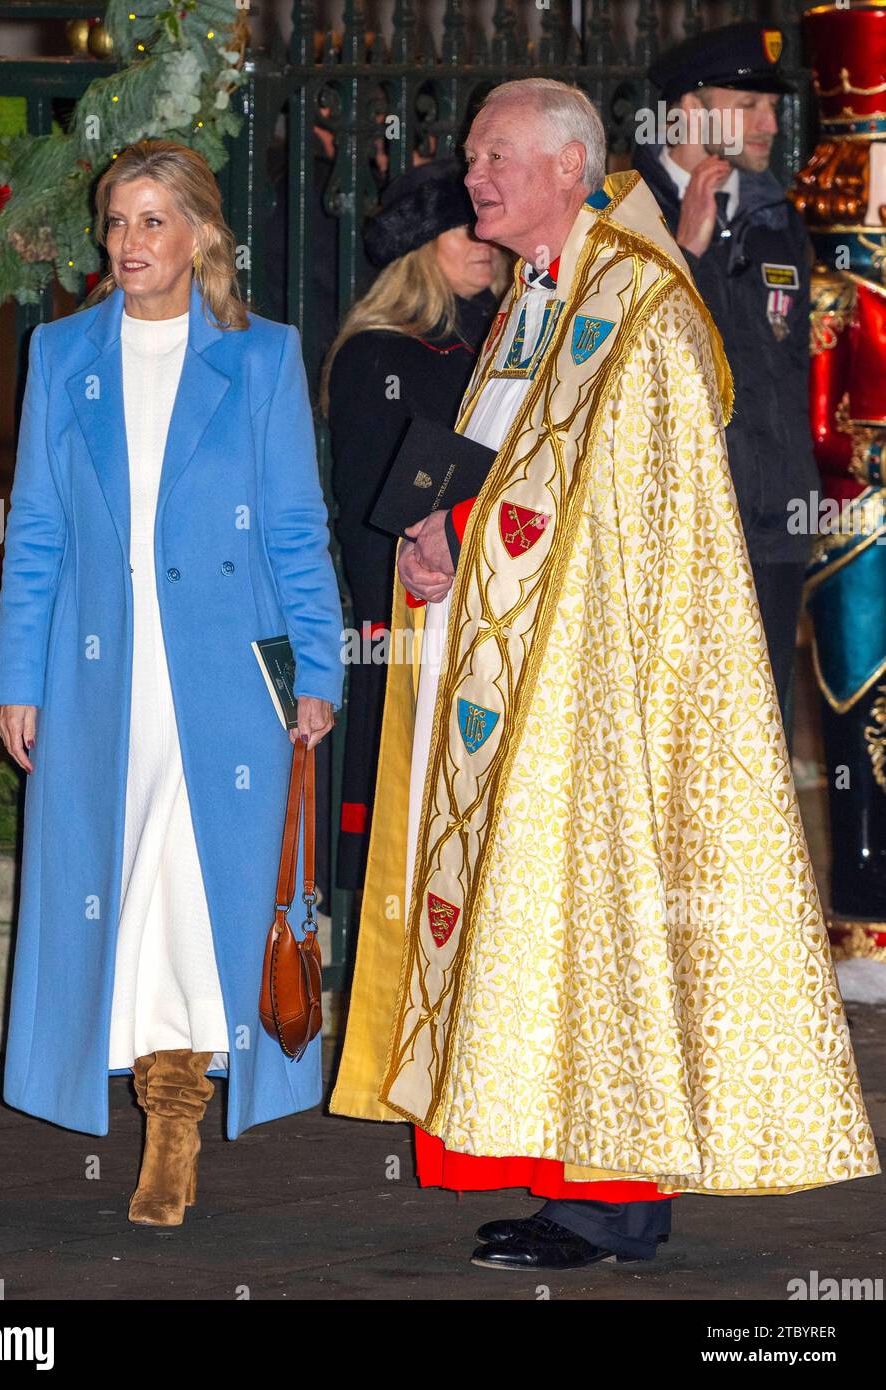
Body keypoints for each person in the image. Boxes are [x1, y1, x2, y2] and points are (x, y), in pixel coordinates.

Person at [329, 77, 879, 1273]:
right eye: (473, 158)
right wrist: (435, 529)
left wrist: (478, 536)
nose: (472, 178)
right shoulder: (539, 294)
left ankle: (605, 1198)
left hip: (598, 681)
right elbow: (505, 459)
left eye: (495, 159)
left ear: (570, 168)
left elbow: (633, 509)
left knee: (598, 917)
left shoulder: (639, 304)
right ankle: (569, 1177)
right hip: (518, 668)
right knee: (548, 923)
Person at [0, 140, 344, 1228]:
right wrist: (18, 673)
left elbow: (293, 521)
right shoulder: (61, 353)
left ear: (200, 234)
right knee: (123, 888)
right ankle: (150, 1090)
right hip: (98, 679)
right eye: (115, 223)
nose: (130, 244)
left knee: (201, 892)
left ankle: (177, 1119)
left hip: (226, 674)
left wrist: (318, 663)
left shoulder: (261, 355)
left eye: (153, 221)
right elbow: (38, 530)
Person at [322, 158, 505, 889]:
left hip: (496, 612)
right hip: (416, 622)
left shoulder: (507, 343)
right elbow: (369, 514)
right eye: (465, 225)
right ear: (420, 244)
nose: (484, 238)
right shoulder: (377, 353)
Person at [632, 22, 819, 730]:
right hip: (679, 527)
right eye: (746, 105)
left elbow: (789, 360)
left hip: (773, 518)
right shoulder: (624, 212)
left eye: (769, 106)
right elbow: (627, 363)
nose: (770, 123)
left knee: (756, 732)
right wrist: (686, 249)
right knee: (675, 731)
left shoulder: (776, 217)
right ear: (687, 109)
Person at [792, 0, 886, 995]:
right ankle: (864, 918)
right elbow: (814, 426)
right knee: (858, 719)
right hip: (855, 526)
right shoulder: (825, 289)